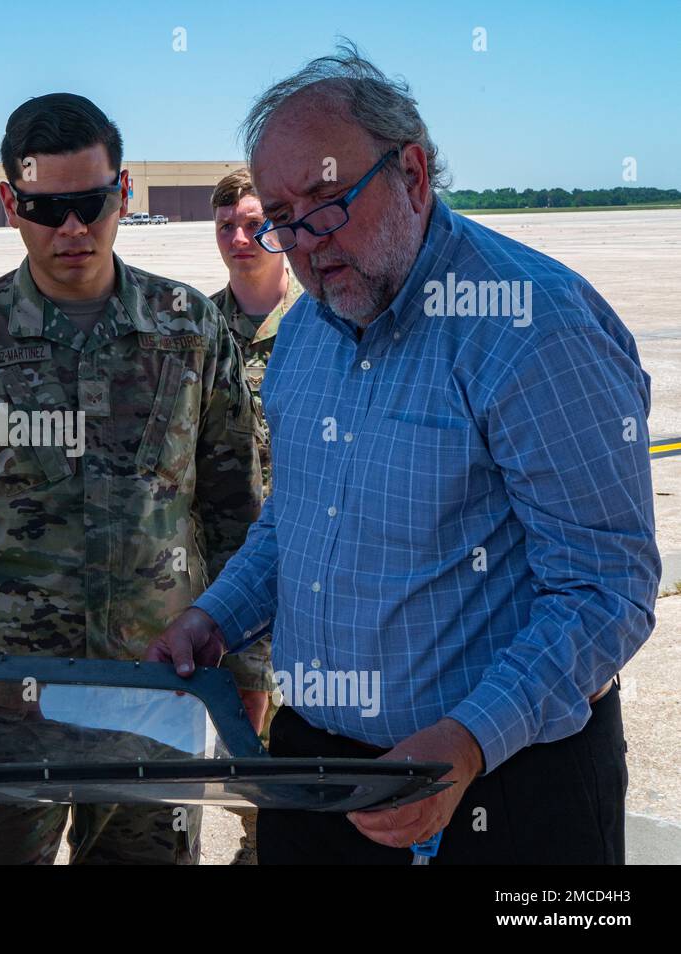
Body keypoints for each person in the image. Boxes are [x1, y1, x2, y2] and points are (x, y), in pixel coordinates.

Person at [146, 43, 658, 864]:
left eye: (326, 201)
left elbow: (606, 590)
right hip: (315, 770)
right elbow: (294, 524)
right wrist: (215, 617)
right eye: (281, 216)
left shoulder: (535, 326)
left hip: (504, 783)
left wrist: (465, 741)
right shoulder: (311, 327)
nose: (305, 244)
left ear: (413, 173)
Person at [0, 93, 262, 864]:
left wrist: (248, 664)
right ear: (8, 204)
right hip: (2, 701)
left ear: (124, 192)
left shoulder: (189, 330)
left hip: (155, 691)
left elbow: (234, 512)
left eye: (90, 202)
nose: (73, 230)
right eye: (47, 209)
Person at [207, 167, 303, 865]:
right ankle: (254, 844)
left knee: (302, 725)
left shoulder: (317, 325)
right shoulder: (195, 330)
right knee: (241, 728)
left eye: (254, 223)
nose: (241, 238)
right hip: (221, 572)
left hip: (307, 569)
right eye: (226, 226)